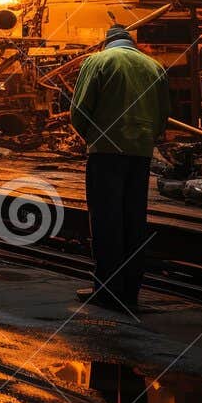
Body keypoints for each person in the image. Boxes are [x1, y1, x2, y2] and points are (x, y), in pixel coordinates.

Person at [70, 24, 171, 314]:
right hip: (140, 153)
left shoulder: (98, 61)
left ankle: (107, 290)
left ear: (107, 42)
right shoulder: (154, 67)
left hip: (106, 152)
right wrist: (145, 139)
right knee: (134, 220)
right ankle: (130, 291)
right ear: (130, 42)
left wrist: (93, 138)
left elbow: (79, 110)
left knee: (106, 220)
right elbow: (163, 115)